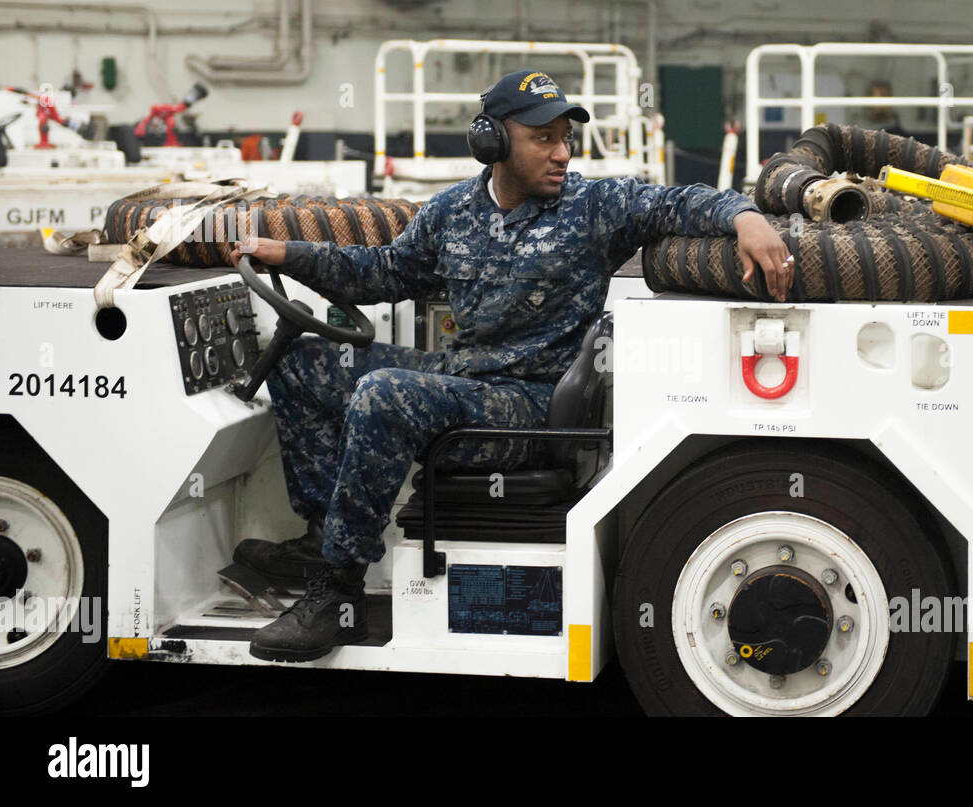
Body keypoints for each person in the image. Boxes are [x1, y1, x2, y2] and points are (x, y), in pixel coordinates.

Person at [227, 69, 793, 662]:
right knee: (300, 361)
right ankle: (324, 539)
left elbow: (680, 200)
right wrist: (288, 253)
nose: (562, 153)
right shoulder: (451, 213)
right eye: (543, 139)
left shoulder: (593, 206)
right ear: (492, 141)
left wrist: (746, 219)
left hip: (528, 409)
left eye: (565, 139)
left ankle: (337, 594)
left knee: (383, 393)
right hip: (464, 381)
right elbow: (383, 272)